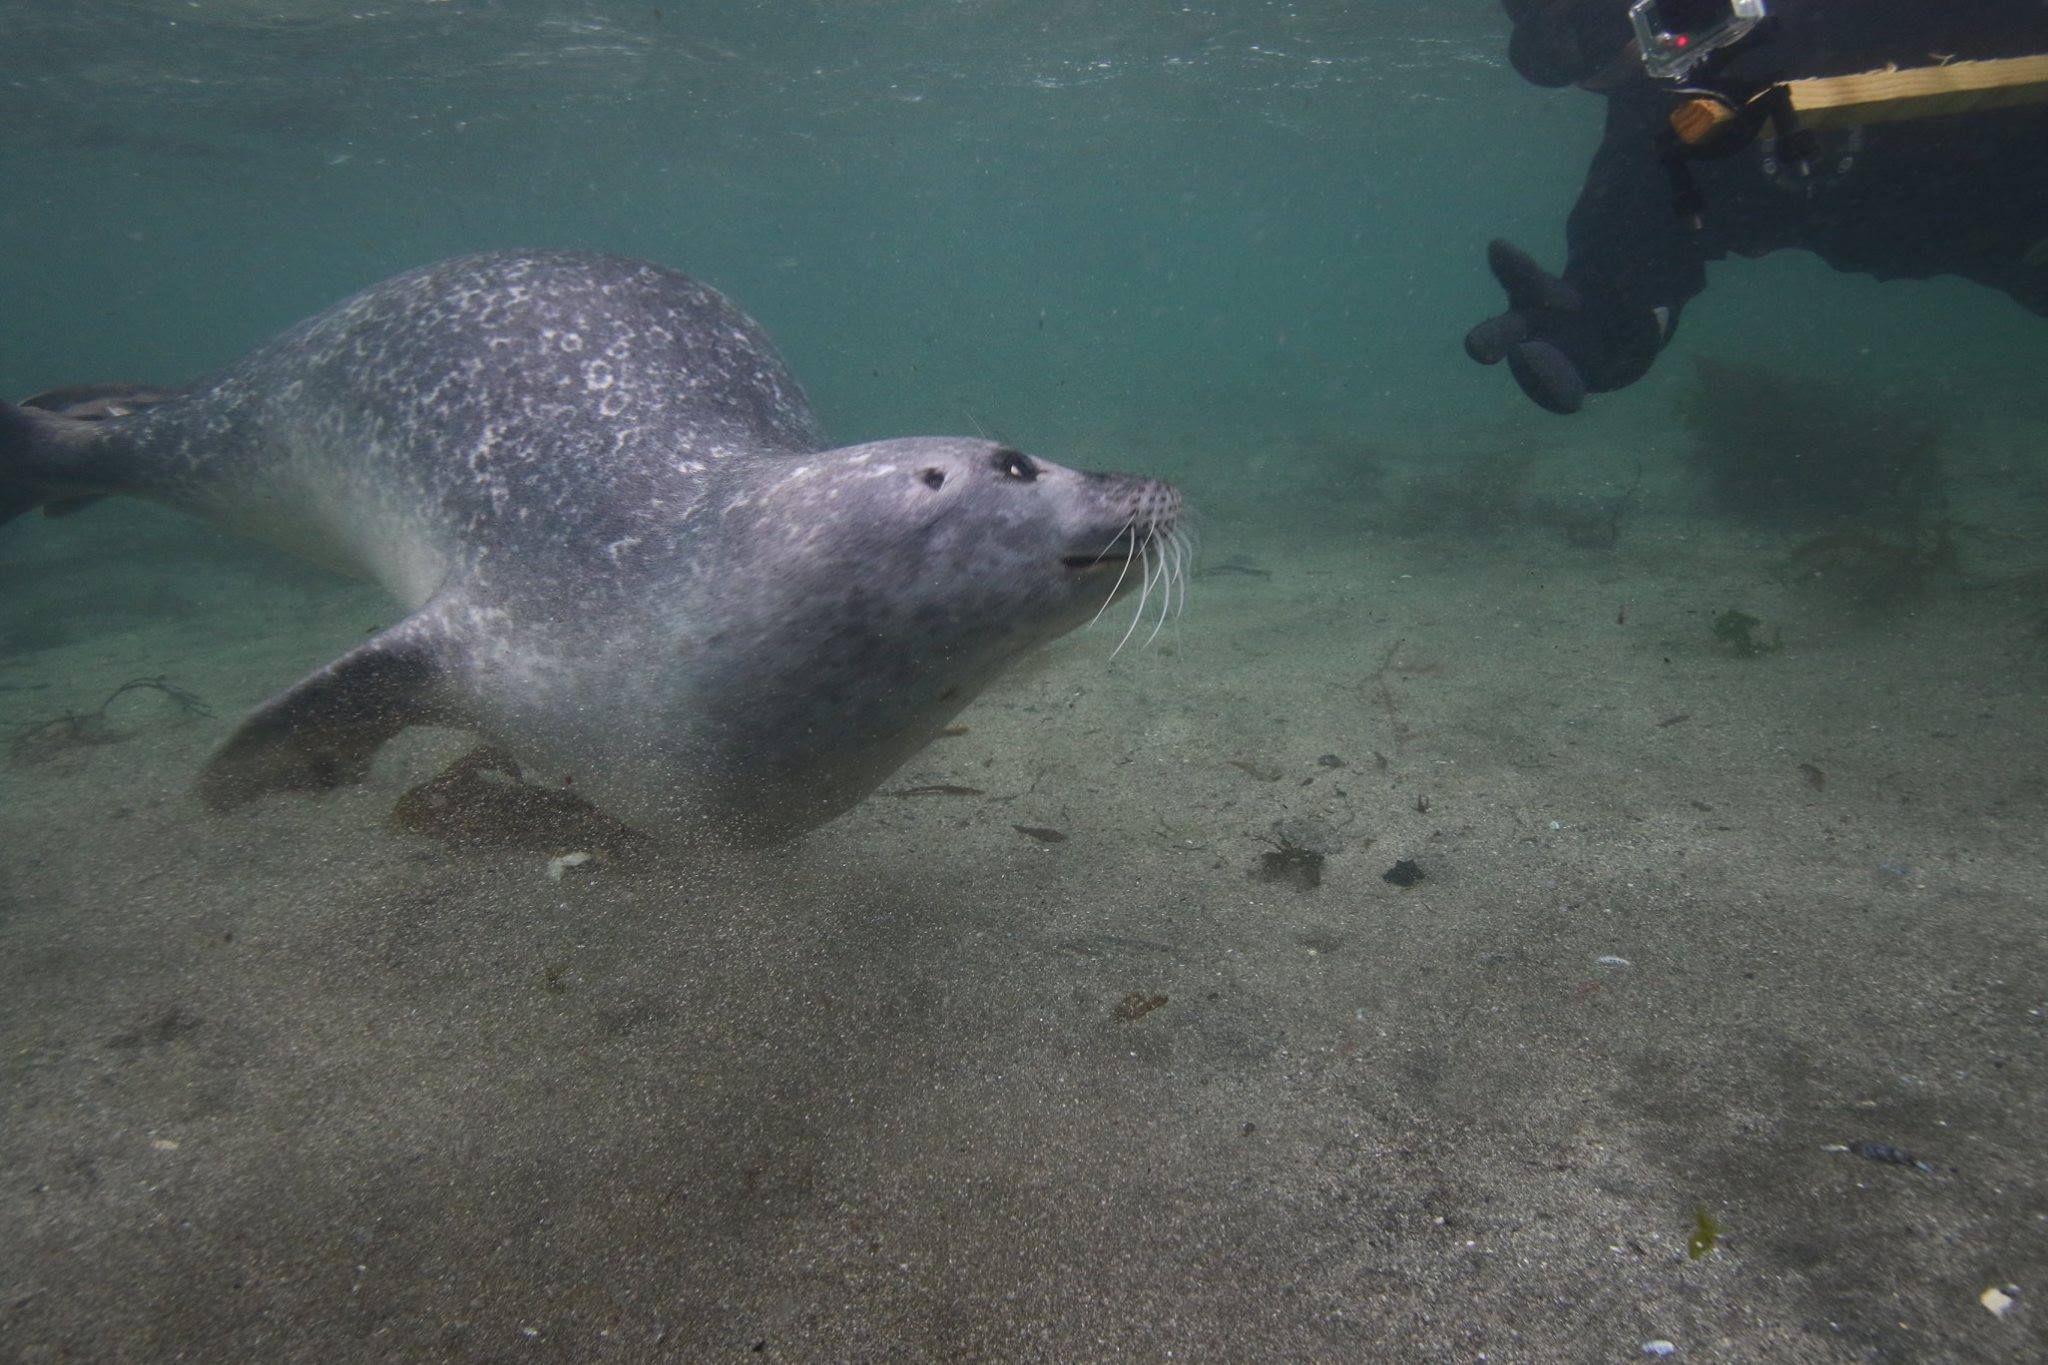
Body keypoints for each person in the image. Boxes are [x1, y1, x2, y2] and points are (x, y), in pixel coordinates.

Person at [1466, 0, 2048, 414]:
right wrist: (1590, 335)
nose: (1605, 63)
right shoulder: (1653, 148)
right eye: (1552, 50)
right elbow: (1625, 274)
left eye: (1586, 24)